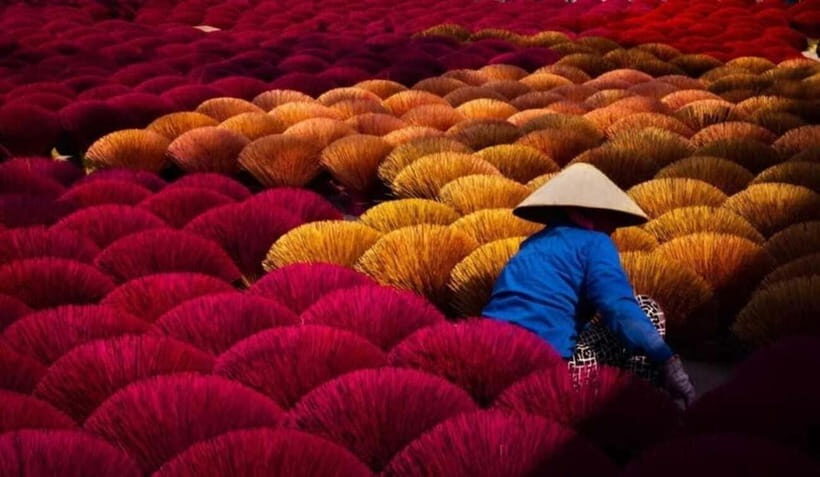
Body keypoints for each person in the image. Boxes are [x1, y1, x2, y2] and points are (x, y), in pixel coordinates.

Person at [483, 163, 696, 406]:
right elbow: (617, 306)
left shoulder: (531, 245)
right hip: (549, 368)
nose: (614, 227)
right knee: (646, 309)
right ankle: (640, 405)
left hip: (490, 353)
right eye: (609, 215)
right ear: (580, 214)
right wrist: (667, 361)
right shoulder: (594, 242)